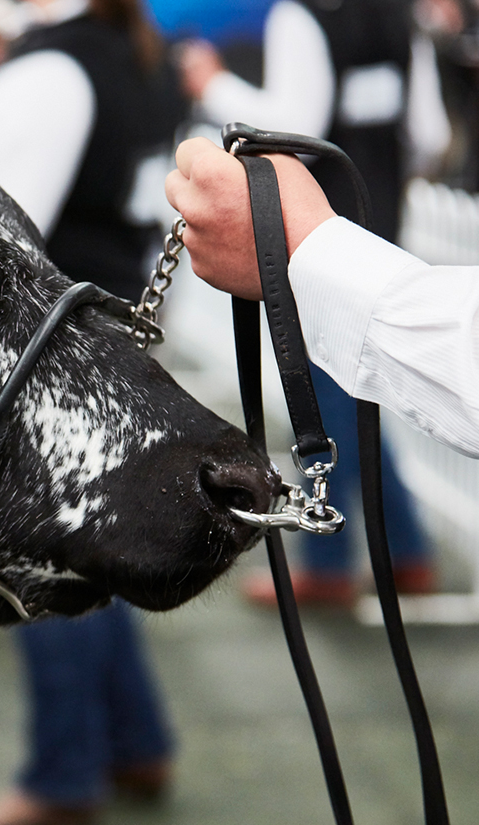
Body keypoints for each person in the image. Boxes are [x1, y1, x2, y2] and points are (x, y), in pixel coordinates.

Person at [0, 0, 179, 825]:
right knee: (99, 545)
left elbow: (3, 235)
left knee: (40, 558)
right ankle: (136, 743)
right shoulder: (136, 53)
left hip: (49, 350)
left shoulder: (48, 68)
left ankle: (65, 774)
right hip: (111, 326)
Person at [176, 0, 449, 606]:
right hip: (380, 225)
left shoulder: (298, 17)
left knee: (328, 406)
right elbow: (429, 135)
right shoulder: (399, 18)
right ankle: (404, 552)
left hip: (315, 238)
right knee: (356, 399)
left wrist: (211, 83)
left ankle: (333, 563)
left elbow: (296, 130)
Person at [165, 136, 479, 461]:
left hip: (328, 260)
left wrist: (300, 241)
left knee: (335, 419)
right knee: (347, 424)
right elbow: (428, 139)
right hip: (369, 244)